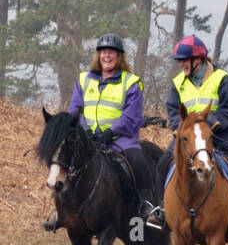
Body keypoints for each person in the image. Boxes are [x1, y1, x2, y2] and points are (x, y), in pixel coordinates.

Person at [143, 35, 228, 231]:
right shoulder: (178, 83)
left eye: (185, 60)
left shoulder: (222, 79)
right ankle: (161, 210)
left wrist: (205, 126)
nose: (181, 65)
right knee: (162, 165)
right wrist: (184, 128)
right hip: (190, 136)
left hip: (223, 132)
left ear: (199, 59)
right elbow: (172, 109)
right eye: (180, 61)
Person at [43, 33, 154, 231]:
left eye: (112, 52)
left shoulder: (130, 82)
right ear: (98, 55)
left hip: (121, 140)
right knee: (65, 162)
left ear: (120, 56)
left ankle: (147, 207)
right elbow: (75, 111)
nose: (107, 56)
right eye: (103, 52)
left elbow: (132, 116)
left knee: (138, 160)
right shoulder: (84, 80)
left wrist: (110, 132)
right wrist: (85, 132)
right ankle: (61, 212)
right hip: (89, 139)